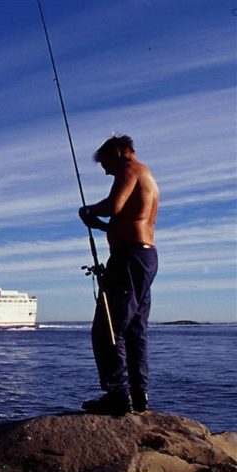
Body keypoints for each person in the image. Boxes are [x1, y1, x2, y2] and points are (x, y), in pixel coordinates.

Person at [78, 134, 159, 415]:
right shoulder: (145, 174)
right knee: (135, 330)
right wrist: (100, 225)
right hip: (144, 256)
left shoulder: (128, 169)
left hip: (128, 258)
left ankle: (117, 395)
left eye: (105, 162)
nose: (105, 170)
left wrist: (88, 210)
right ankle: (139, 397)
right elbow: (126, 219)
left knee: (107, 328)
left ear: (119, 152)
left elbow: (115, 206)